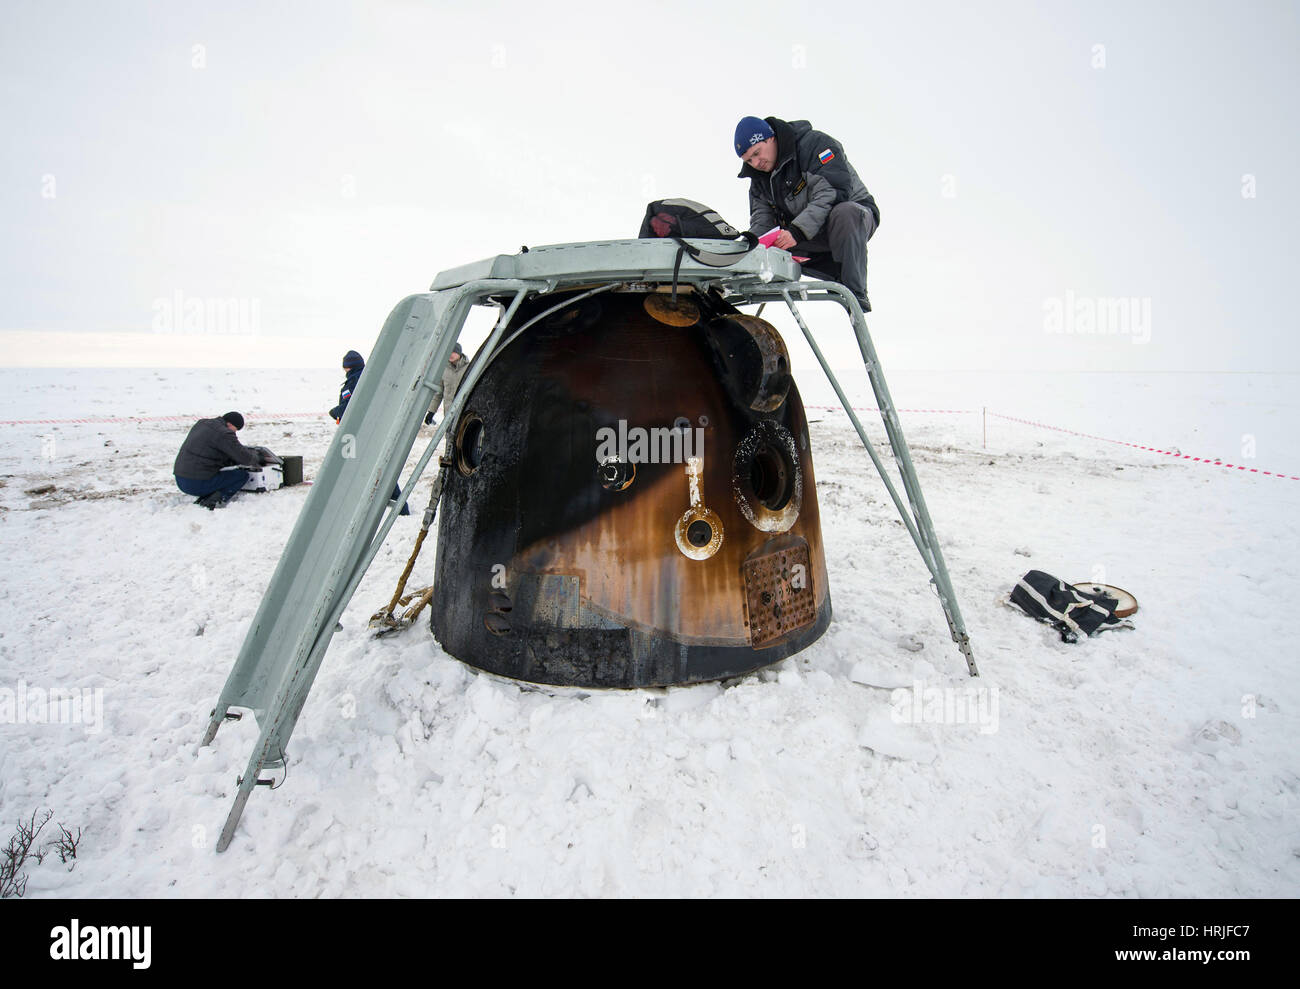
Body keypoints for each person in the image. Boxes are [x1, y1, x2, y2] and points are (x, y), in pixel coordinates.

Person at [734, 115, 880, 311]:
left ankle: (855, 294)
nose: (756, 162)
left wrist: (796, 232)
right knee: (772, 246)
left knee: (845, 213)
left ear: (771, 138)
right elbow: (762, 220)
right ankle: (833, 273)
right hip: (806, 232)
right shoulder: (759, 179)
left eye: (757, 153)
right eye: (749, 160)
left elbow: (832, 191)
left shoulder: (814, 145)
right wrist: (748, 250)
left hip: (851, 218)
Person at [329, 349, 410, 515]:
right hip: (368, 431)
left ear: (348, 367)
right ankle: (400, 506)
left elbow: (352, 406)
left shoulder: (355, 381)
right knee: (377, 467)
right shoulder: (367, 377)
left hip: (358, 433)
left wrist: (336, 412)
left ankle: (399, 506)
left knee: (356, 466)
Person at [173, 411, 270, 509]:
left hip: (180, 479)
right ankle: (213, 501)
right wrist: (257, 458)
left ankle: (208, 494)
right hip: (195, 483)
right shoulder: (224, 433)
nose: (234, 433)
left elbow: (212, 453)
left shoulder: (202, 424)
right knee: (241, 476)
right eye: (235, 430)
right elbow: (245, 458)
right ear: (229, 424)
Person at [424, 342, 470, 426]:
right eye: (449, 352)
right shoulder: (444, 370)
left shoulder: (470, 368)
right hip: (449, 414)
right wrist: (431, 412)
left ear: (459, 352)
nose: (450, 354)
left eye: (453, 352)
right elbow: (438, 393)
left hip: (466, 412)